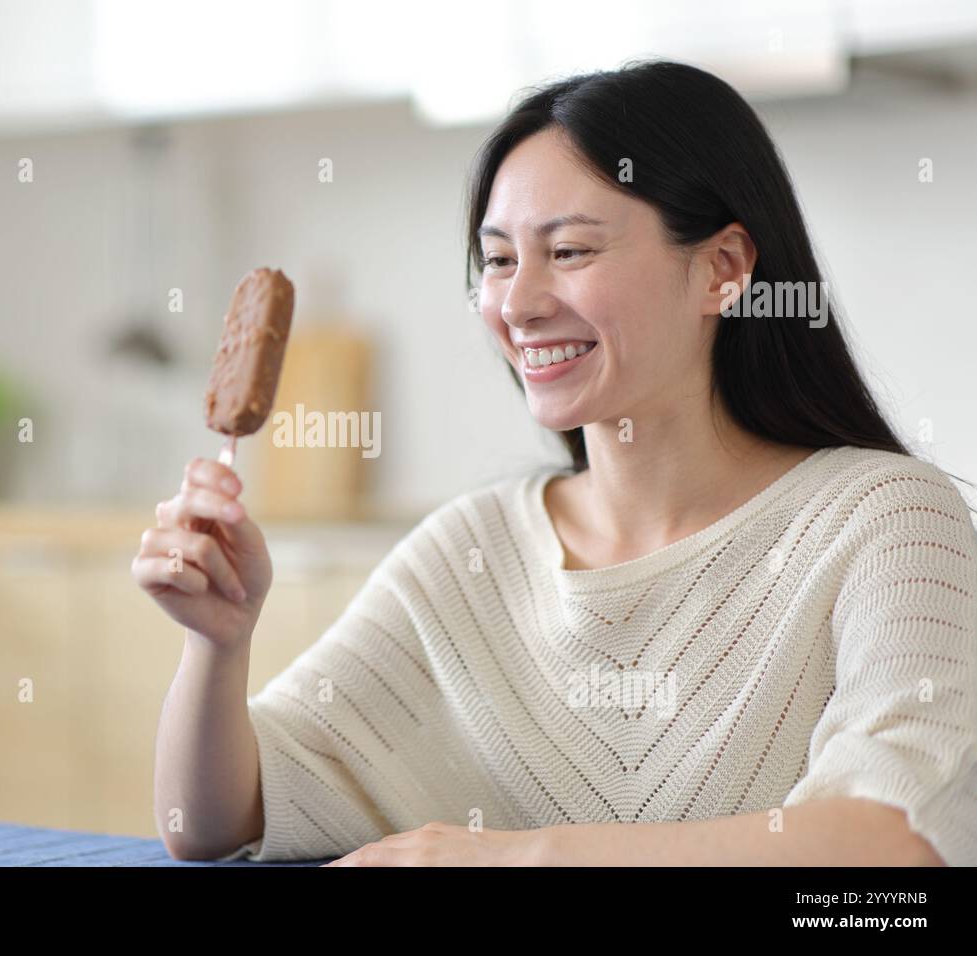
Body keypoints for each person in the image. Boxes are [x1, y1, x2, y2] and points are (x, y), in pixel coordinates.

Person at [133, 60, 976, 866]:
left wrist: (527, 856)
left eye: (569, 251)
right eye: (498, 259)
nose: (518, 303)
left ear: (723, 269)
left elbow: (893, 853)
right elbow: (208, 822)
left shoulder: (888, 521)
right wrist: (218, 647)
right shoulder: (471, 551)